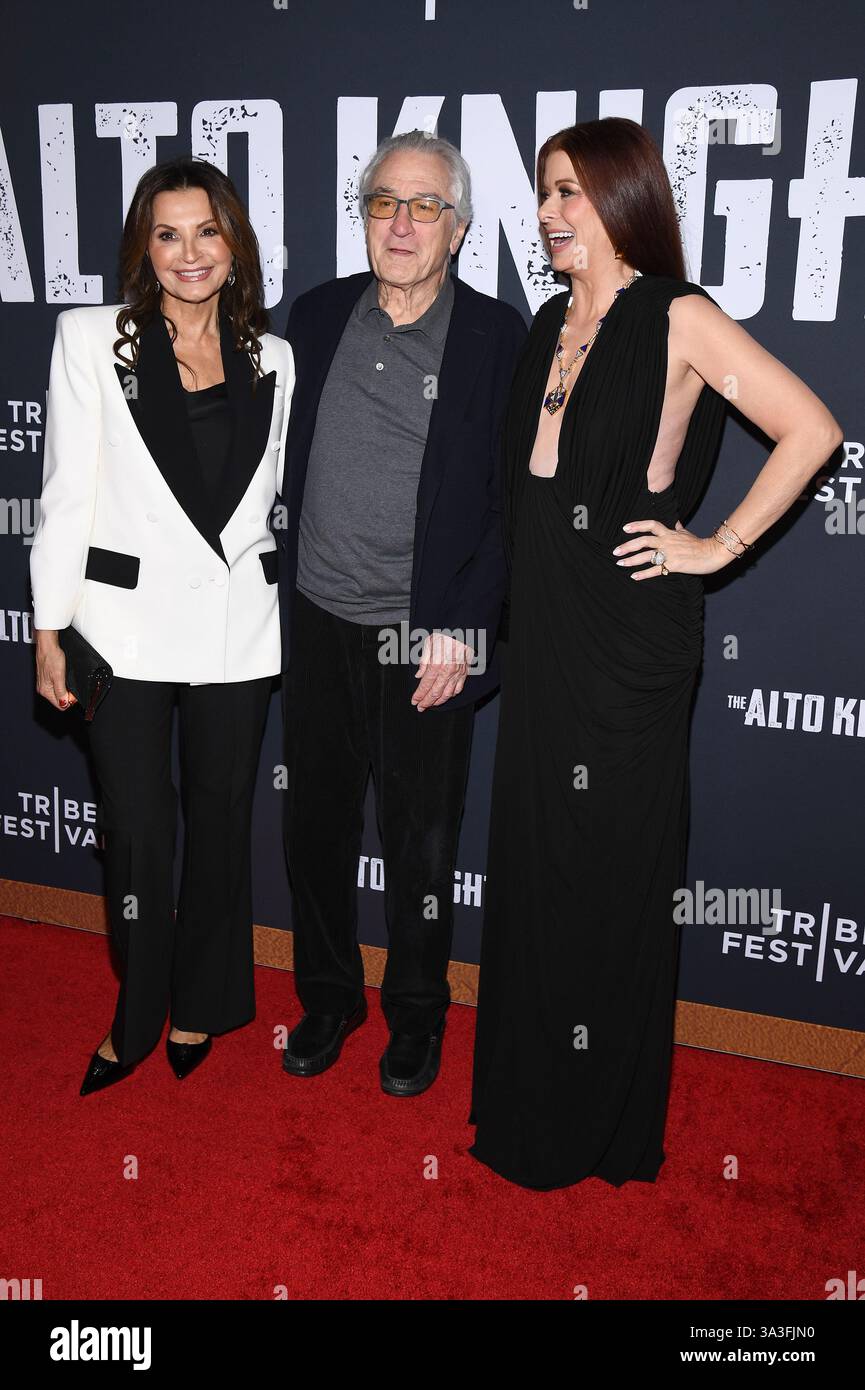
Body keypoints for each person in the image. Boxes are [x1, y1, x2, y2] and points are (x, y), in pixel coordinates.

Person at [468, 117, 843, 1188]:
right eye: (544, 191)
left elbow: (810, 428)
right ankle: (529, 1106)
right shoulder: (544, 326)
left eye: (574, 193)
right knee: (540, 866)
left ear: (624, 201)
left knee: (608, 876)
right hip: (544, 639)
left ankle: (601, 1122)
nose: (550, 213)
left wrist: (713, 546)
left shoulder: (676, 316)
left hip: (628, 647)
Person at [30, 158, 295, 1095]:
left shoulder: (273, 354)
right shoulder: (91, 339)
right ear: (146, 247)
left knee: (222, 824)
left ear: (235, 244)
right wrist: (50, 626)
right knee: (140, 831)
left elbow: (264, 500)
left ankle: (202, 1002)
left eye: (208, 232)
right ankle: (135, 1013)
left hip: (236, 628)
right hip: (123, 626)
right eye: (169, 233)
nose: (191, 253)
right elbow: (66, 495)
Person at [276, 130, 527, 1095]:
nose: (402, 222)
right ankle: (327, 998)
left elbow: (512, 503)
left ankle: (416, 1015)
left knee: (422, 844)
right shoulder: (319, 313)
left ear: (458, 227)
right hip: (314, 620)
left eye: (425, 206)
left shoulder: (496, 336)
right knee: (316, 833)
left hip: (423, 636)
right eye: (385, 202)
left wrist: (463, 630)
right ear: (364, 214)